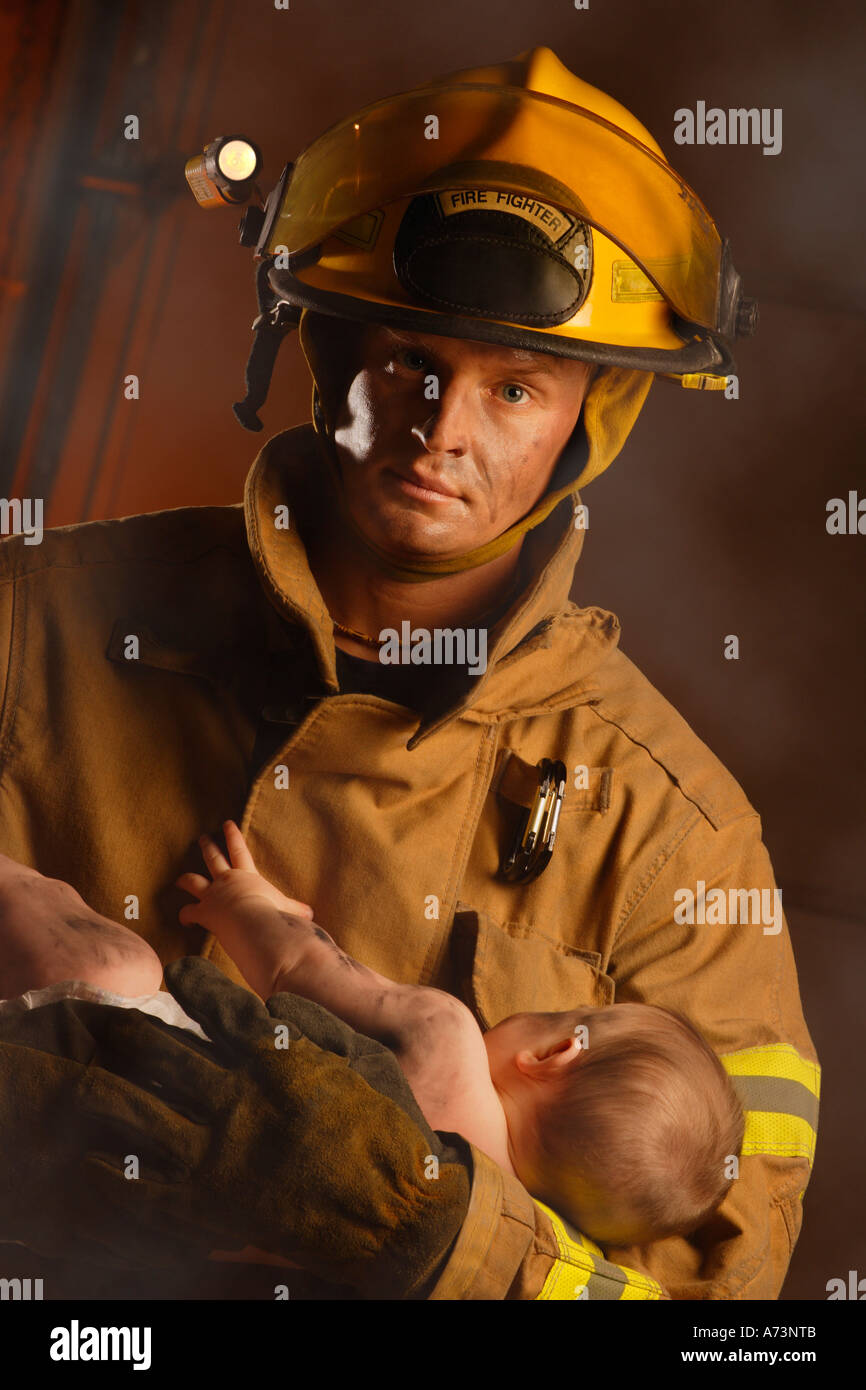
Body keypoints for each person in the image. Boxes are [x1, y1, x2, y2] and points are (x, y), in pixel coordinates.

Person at [0, 47, 819, 1300]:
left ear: (585, 424)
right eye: (409, 364)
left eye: (514, 388)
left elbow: (723, 1315)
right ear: (327, 359)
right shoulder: (35, 618)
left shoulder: (676, 848)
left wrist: (441, 1238)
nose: (443, 429)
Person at [0, 823, 745, 1252]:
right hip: (115, 1203)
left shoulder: (448, 1041)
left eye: (564, 1015)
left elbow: (301, 965)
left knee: (105, 957)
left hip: (130, 1057)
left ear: (554, 1054)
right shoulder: (490, 1221)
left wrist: (244, 904)